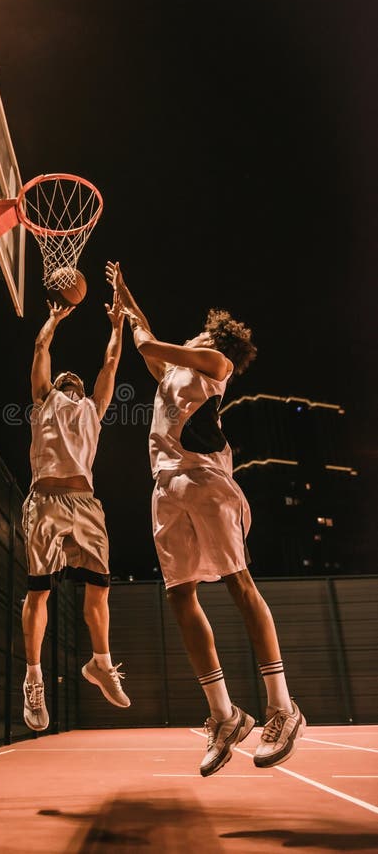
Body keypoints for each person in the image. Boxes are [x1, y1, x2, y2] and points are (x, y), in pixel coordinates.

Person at [106, 260, 305, 777]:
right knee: (179, 594)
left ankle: (282, 707)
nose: (193, 332)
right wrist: (128, 302)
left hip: (208, 486)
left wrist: (133, 321)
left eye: (200, 331)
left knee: (241, 585)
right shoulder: (175, 374)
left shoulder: (215, 364)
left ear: (213, 340)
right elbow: (147, 339)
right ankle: (224, 715)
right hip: (166, 487)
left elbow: (149, 346)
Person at [21, 290, 131, 732]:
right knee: (39, 592)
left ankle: (100, 663)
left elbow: (109, 365)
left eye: (74, 378)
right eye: (64, 376)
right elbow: (41, 348)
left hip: (85, 505)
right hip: (45, 502)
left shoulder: (93, 409)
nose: (70, 378)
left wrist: (118, 325)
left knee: (100, 588)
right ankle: (33, 679)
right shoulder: (43, 400)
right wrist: (54, 318)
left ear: (81, 389)